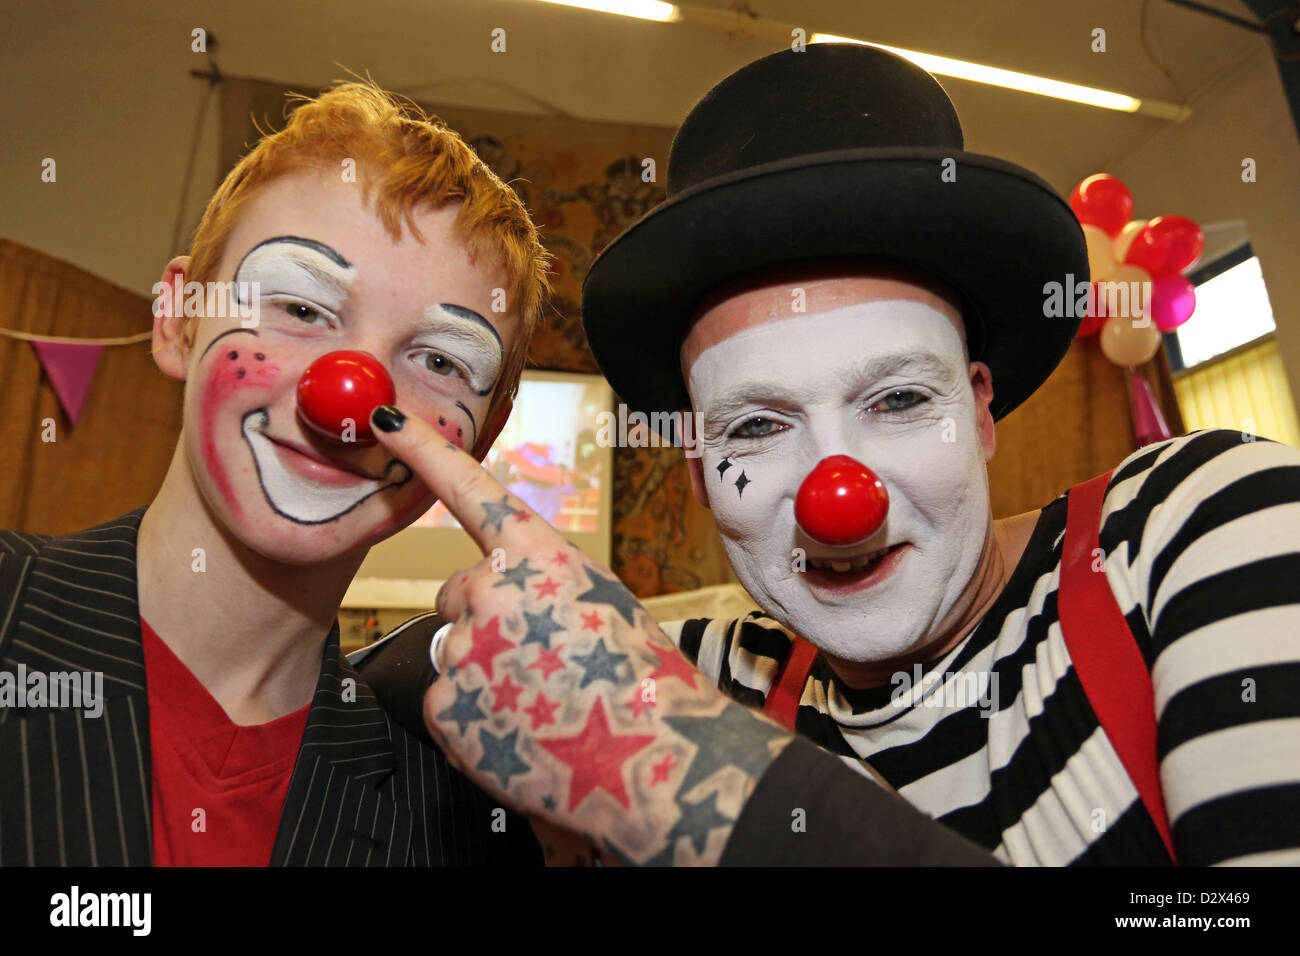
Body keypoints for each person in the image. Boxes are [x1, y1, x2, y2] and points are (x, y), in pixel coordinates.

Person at [365, 43, 1300, 866]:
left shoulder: (1195, 531)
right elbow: (372, 685)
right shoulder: (712, 680)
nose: (836, 497)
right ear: (698, 472)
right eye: (758, 427)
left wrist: (683, 776)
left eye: (898, 400)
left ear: (980, 412)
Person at [0, 81, 552, 866]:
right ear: (179, 316)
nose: (350, 396)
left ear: (478, 442)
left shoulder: (459, 823)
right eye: (299, 307)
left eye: (438, 361)